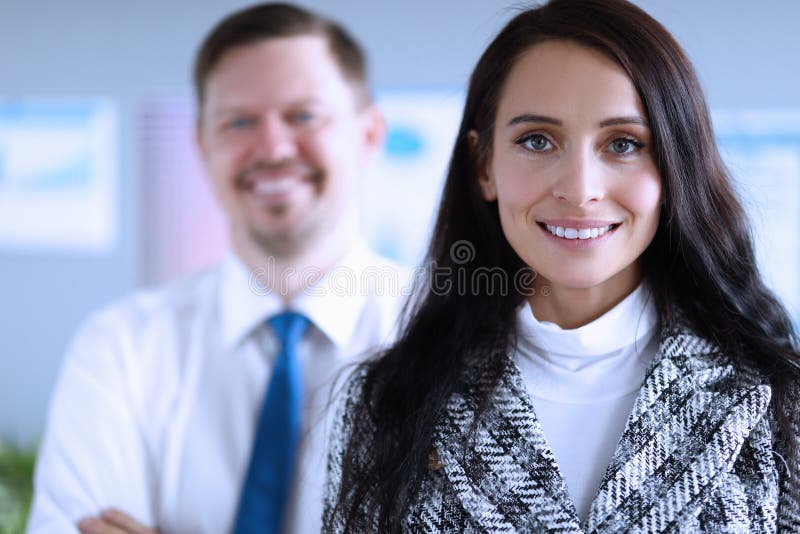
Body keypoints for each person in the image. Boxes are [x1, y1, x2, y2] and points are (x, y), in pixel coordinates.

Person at [324, 0, 800, 531]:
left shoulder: (780, 401)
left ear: (674, 165)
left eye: (623, 144)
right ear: (484, 166)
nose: (579, 189)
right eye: (537, 141)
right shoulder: (382, 404)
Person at [28, 3, 403, 533]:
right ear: (202, 146)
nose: (272, 147)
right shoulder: (120, 347)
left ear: (368, 134)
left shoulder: (452, 335)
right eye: (238, 122)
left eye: (303, 116)